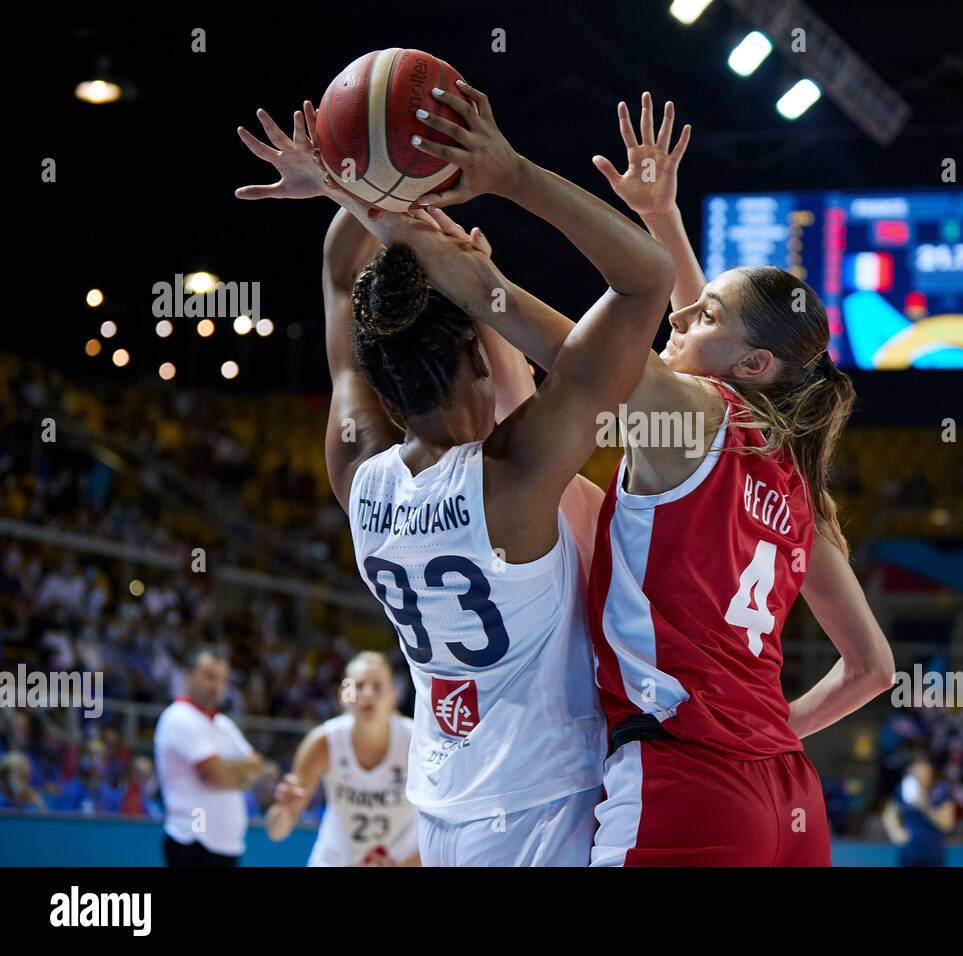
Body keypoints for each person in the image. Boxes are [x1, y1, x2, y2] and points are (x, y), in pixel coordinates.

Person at [409, 91, 896, 865]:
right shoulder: (803, 487)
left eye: (703, 317)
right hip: (787, 798)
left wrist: (475, 261)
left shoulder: (696, 419)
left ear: (754, 364)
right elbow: (873, 670)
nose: (679, 318)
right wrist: (661, 218)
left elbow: (579, 349)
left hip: (687, 782)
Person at [235, 82, 673, 865]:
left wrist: (356, 183)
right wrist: (506, 178)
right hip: (544, 803)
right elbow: (646, 279)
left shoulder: (357, 467)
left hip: (440, 801)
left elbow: (342, 284)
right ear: (479, 348)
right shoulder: (518, 473)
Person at [265, 652, 419, 866]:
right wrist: (284, 810)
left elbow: (441, 826)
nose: (367, 694)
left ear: (393, 695)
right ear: (344, 694)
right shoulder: (323, 742)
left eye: (377, 686)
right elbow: (276, 833)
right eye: (359, 685)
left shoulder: (416, 741)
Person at [154, 646, 276, 866]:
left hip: (226, 846)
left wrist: (230, 769)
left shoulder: (223, 724)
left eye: (222, 679)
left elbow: (259, 768)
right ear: (188, 676)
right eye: (209, 677)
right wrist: (238, 772)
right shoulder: (179, 717)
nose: (216, 686)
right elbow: (215, 774)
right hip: (192, 844)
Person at [882, 758, 954, 866]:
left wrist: (926, 807)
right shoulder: (903, 790)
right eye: (919, 773)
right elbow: (889, 815)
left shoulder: (940, 790)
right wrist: (896, 833)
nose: (923, 776)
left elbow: (948, 823)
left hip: (933, 850)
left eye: (926, 772)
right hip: (910, 849)